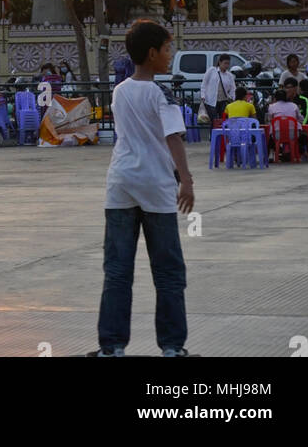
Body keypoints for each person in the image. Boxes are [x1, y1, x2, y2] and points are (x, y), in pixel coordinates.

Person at [92, 19, 194, 359]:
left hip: (120, 183)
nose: (170, 54)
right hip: (156, 185)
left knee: (117, 270)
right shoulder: (161, 92)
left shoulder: (120, 90)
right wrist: (187, 180)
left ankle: (112, 346)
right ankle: (171, 346)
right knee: (167, 271)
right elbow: (173, 137)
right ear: (152, 54)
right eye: (167, 49)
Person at [200, 55, 235, 125]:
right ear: (220, 62)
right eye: (225, 63)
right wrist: (203, 95)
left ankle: (222, 135)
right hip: (210, 101)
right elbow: (204, 84)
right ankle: (213, 135)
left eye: (228, 63)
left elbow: (233, 89)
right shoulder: (211, 70)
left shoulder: (229, 75)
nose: (227, 65)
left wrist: (233, 98)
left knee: (224, 121)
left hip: (223, 101)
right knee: (214, 121)